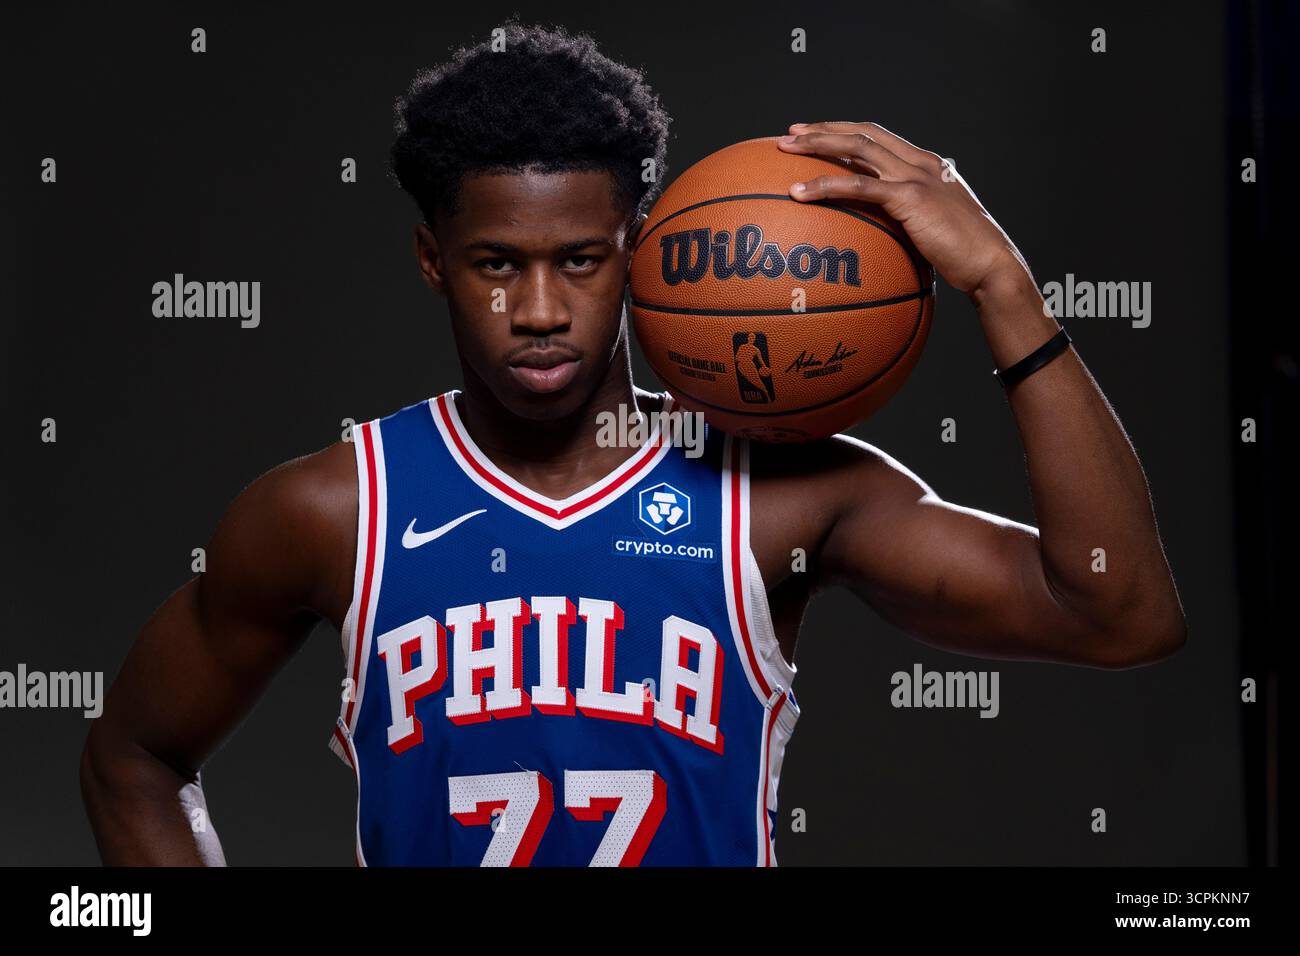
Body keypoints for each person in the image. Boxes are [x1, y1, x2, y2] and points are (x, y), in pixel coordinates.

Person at [80, 21, 1185, 866]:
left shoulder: (777, 494)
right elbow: (130, 755)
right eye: (496, 264)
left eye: (580, 259)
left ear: (640, 247)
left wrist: (1003, 287)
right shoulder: (332, 509)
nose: (542, 309)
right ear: (432, 258)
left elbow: (1120, 610)